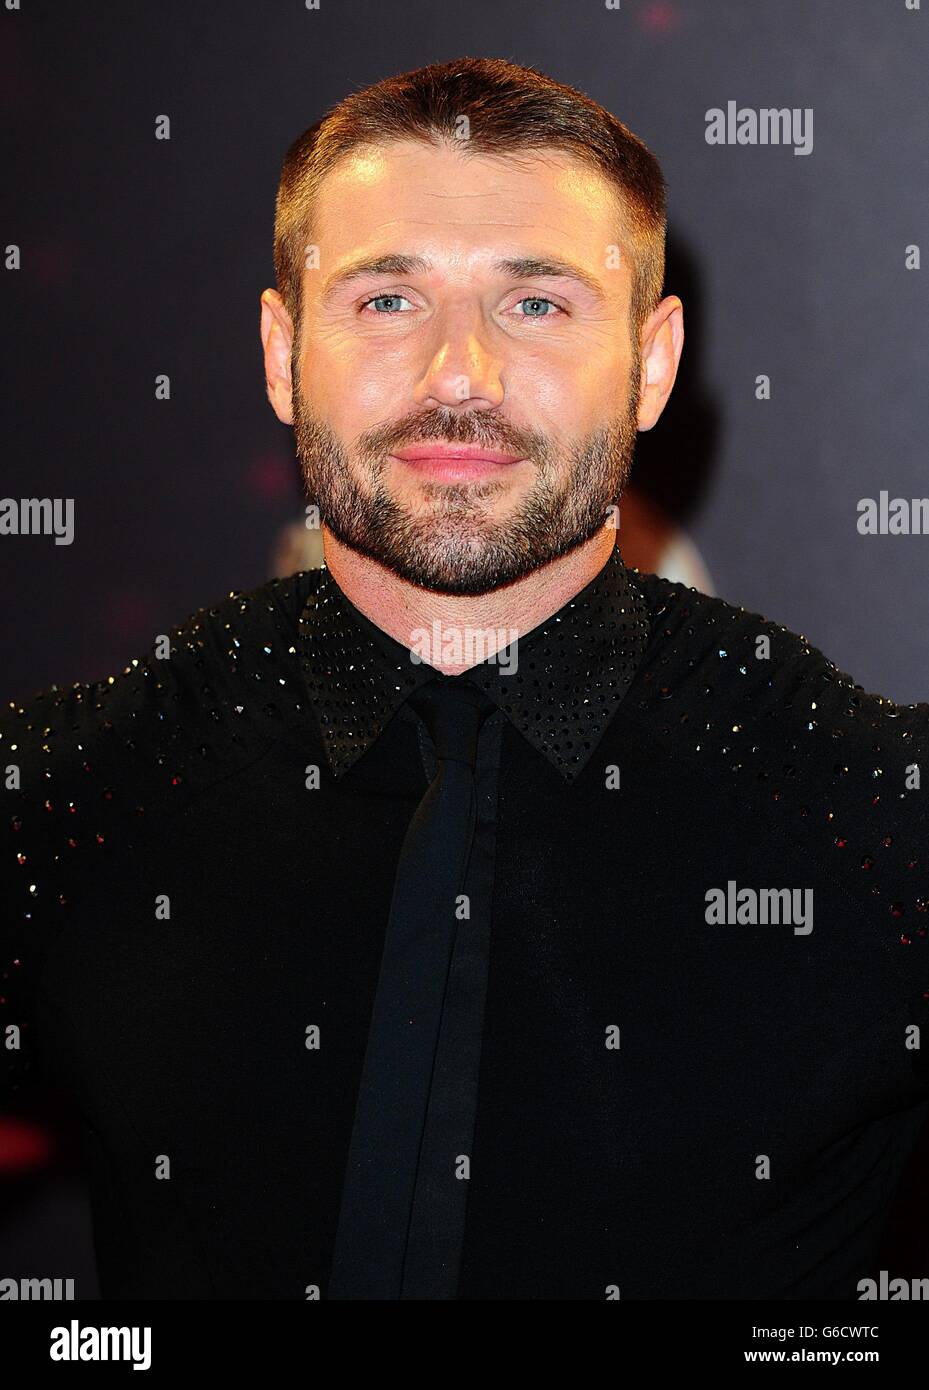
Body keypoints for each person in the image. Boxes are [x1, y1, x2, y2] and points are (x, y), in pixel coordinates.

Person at [2, 56, 928, 1301]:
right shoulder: (76, 794)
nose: (457, 375)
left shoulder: (868, 814)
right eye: (387, 300)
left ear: (652, 365)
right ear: (281, 352)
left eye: (534, 304)